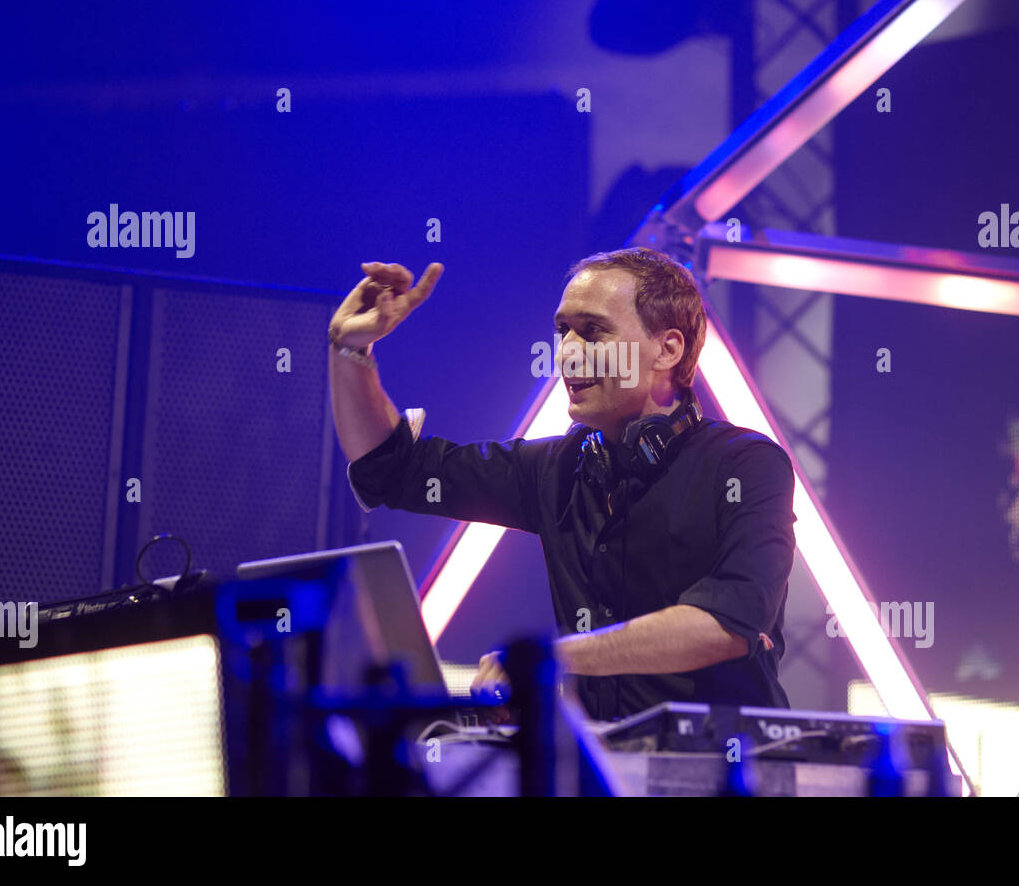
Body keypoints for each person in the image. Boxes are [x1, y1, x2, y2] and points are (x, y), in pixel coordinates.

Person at [327, 247, 796, 721]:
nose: (568, 352)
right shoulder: (558, 466)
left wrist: (552, 660)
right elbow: (392, 468)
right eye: (562, 331)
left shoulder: (747, 464)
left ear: (667, 349)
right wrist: (350, 350)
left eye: (593, 332)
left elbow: (729, 622)